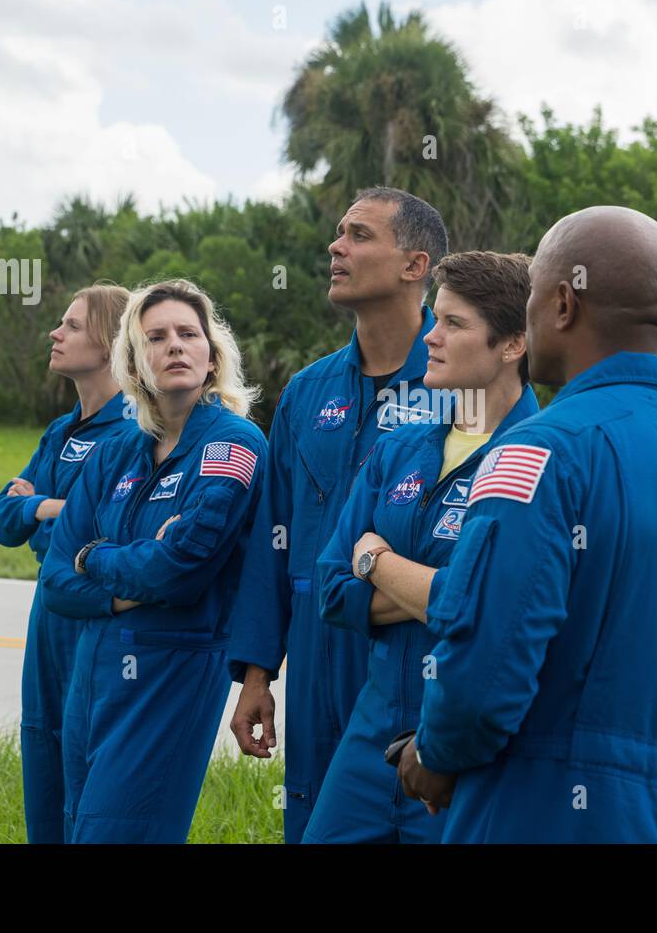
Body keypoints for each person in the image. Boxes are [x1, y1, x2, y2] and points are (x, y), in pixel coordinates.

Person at [397, 206, 657, 842]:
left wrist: (434, 752)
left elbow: (485, 673)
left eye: (533, 294)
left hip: (536, 807)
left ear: (562, 304)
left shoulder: (536, 451)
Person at [227, 187, 450, 843]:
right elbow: (272, 540)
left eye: (358, 235)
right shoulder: (307, 391)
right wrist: (258, 675)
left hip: (409, 649)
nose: (336, 246)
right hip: (318, 647)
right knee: (317, 816)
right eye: (338, 233)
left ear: (414, 265)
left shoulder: (460, 386)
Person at [306, 251, 539, 843]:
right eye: (437, 319)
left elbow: (478, 605)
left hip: (465, 747)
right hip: (371, 733)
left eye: (454, 325)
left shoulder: (541, 456)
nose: (431, 337)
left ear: (512, 344)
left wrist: (376, 561)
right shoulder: (399, 447)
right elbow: (332, 585)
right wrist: (434, 588)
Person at [39, 279, 267, 843]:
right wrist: (119, 577)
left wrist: (95, 556)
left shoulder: (233, 444)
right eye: (156, 337)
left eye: (189, 334)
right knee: (75, 829)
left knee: (118, 833)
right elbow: (56, 582)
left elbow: (181, 569)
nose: (175, 346)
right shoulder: (117, 449)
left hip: (172, 672)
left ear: (212, 357)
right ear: (135, 364)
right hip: (91, 676)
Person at [0, 283, 134, 844]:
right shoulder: (61, 430)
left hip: (97, 618)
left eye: (71, 326)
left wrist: (38, 505)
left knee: (86, 754)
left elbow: (101, 532)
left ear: (110, 341)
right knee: (42, 744)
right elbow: (3, 520)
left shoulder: (134, 433)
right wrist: (48, 506)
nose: (55, 333)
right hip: (47, 614)